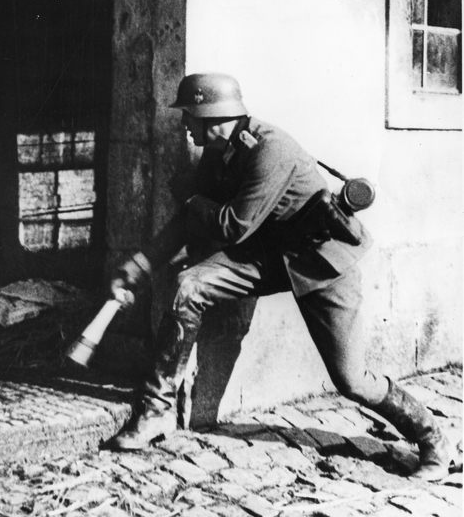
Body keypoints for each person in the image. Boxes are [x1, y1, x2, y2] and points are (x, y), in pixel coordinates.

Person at [108, 72, 453, 482]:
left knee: (352, 379)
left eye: (188, 115)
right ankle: (158, 410)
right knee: (190, 285)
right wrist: (137, 268)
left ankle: (434, 438)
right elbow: (188, 219)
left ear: (210, 115)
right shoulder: (219, 150)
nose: (183, 124)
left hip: (321, 262)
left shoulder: (271, 150)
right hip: (270, 255)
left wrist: (191, 197)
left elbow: (232, 225)